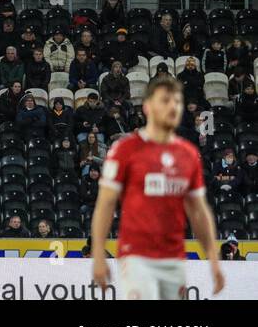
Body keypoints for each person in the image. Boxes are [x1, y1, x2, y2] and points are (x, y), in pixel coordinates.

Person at [90, 76, 224, 300]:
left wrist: (213, 258)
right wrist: (98, 255)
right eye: (165, 100)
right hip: (136, 255)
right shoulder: (125, 150)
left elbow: (199, 211)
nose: (173, 107)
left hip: (173, 257)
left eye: (177, 101)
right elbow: (105, 205)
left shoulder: (188, 154)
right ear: (148, 106)